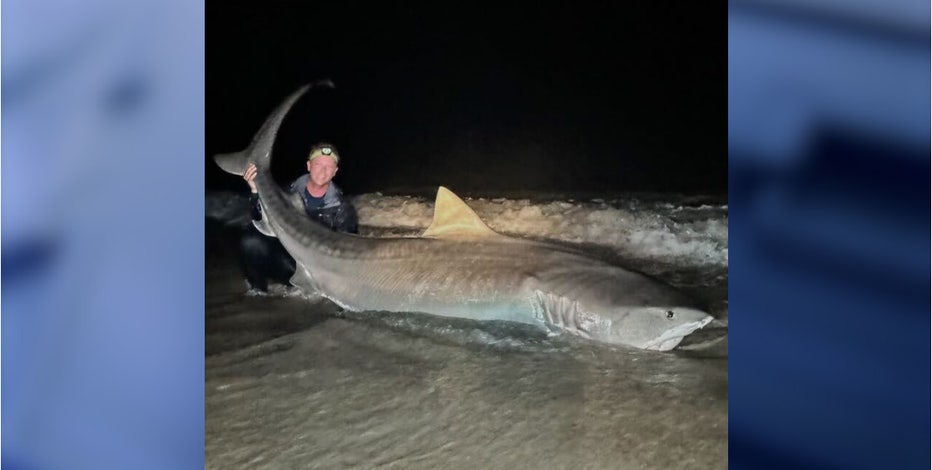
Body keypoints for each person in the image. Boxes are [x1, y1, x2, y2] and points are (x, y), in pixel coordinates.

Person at [239, 142, 358, 293]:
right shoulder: (287, 193)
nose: (323, 170)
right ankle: (258, 293)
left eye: (329, 166)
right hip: (284, 259)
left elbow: (350, 249)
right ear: (309, 166)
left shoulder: (343, 208)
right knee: (251, 241)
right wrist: (255, 190)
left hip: (316, 268)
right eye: (318, 164)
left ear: (335, 171)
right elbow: (258, 219)